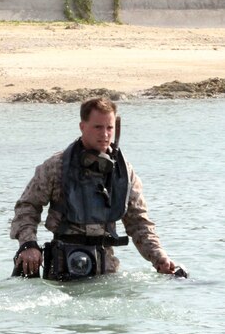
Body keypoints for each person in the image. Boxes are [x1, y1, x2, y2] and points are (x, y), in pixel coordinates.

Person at [11, 97, 179, 279]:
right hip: (63, 265)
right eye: (98, 127)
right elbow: (27, 206)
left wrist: (159, 258)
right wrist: (28, 245)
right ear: (82, 127)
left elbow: (139, 222)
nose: (105, 134)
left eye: (110, 128)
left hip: (105, 267)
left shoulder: (124, 173)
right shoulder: (57, 166)